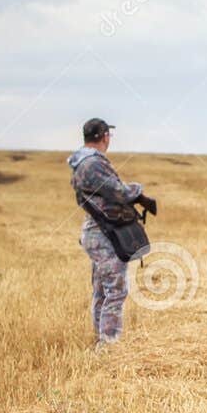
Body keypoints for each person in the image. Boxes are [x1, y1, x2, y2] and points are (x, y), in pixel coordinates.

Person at [68, 118, 150, 348]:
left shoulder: (81, 161)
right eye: (109, 136)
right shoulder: (92, 163)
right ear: (104, 136)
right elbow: (118, 192)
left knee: (102, 289)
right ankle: (108, 345)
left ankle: (101, 339)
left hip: (97, 231)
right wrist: (139, 191)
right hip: (103, 234)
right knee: (115, 290)